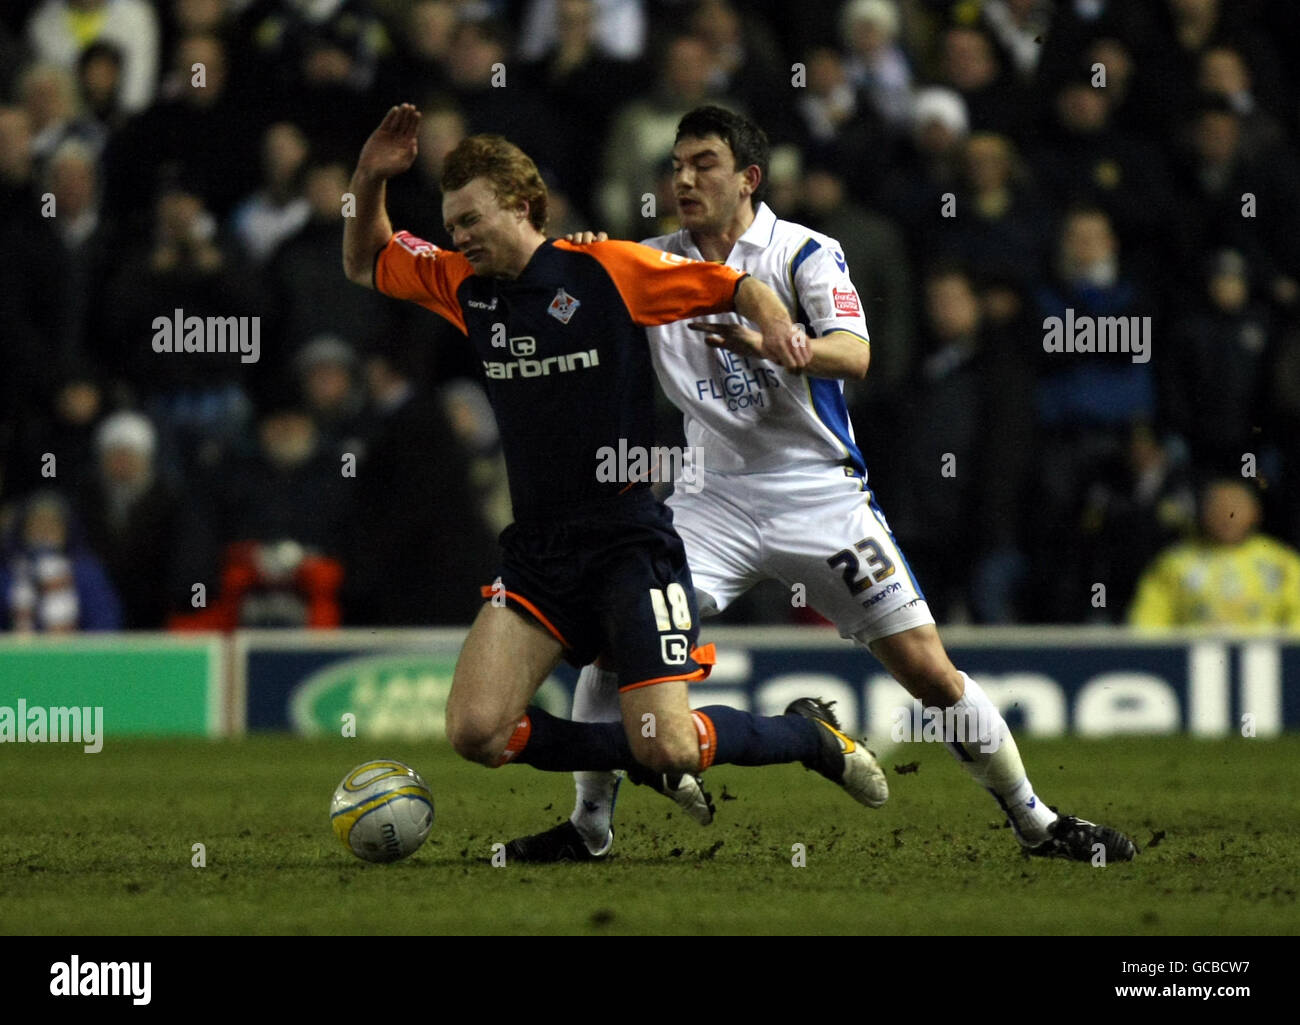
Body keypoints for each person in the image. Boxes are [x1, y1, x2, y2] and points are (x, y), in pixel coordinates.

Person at [508, 105, 1137, 863]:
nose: (683, 178)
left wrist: (784, 343)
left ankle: (1037, 821)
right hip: (709, 498)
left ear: (749, 178)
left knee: (931, 674)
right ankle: (589, 827)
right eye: (676, 165)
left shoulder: (806, 252)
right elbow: (572, 297)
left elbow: (856, 354)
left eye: (703, 163)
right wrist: (572, 256)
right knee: (614, 649)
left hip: (819, 495)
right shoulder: (652, 261)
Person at [342, 105, 889, 854]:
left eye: (470, 220)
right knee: (477, 731)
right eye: (450, 224)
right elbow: (364, 259)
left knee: (666, 746)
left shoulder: (607, 270)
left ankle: (809, 736)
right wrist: (372, 175)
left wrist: (775, 329)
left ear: (524, 206)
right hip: (538, 553)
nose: (458, 237)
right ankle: (623, 781)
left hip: (631, 543)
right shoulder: (463, 284)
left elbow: (732, 286)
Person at [1128, 479, 1300, 629]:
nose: (1227, 515)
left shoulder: (1283, 562)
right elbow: (1146, 626)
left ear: (1256, 512)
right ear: (1202, 512)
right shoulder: (1173, 563)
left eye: (1235, 507)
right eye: (1217, 506)